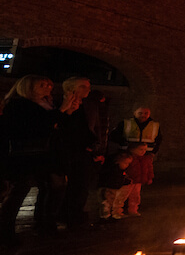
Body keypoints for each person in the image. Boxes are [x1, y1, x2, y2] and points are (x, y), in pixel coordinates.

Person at [0, 75, 78, 243]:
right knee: (20, 190)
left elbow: (55, 126)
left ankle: (44, 223)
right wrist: (62, 110)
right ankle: (5, 230)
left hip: (45, 155)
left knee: (51, 186)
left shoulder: (47, 104)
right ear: (27, 87)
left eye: (49, 85)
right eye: (42, 85)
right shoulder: (18, 105)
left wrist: (66, 112)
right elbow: (35, 127)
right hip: (25, 155)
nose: (47, 88)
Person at [57, 77, 102, 227]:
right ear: (71, 88)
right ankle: (68, 216)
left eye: (88, 87)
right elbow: (65, 128)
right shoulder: (62, 104)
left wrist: (96, 146)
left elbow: (93, 127)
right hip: (70, 151)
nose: (87, 90)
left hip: (84, 151)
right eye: (83, 86)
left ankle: (75, 215)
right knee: (73, 185)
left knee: (81, 185)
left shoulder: (88, 104)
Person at [111, 106, 161, 214]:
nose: (143, 115)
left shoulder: (154, 126)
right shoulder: (126, 124)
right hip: (128, 156)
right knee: (124, 190)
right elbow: (113, 136)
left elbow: (159, 140)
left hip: (145, 157)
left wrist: (152, 153)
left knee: (136, 192)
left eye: (146, 113)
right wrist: (124, 143)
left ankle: (132, 209)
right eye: (140, 113)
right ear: (135, 113)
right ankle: (118, 209)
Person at [97, 151, 133, 220]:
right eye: (125, 163)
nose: (127, 165)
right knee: (106, 203)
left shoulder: (120, 171)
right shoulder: (113, 171)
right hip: (108, 188)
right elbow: (113, 180)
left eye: (128, 163)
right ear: (117, 161)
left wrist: (126, 181)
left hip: (113, 189)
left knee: (110, 202)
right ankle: (105, 216)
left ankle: (109, 215)